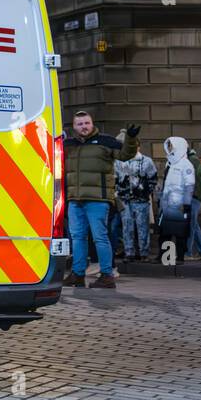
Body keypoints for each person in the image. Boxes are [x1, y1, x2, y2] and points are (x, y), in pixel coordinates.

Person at [62, 111, 138, 290]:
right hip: (75, 199)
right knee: (78, 238)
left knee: (100, 238)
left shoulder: (106, 141)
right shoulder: (68, 145)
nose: (84, 127)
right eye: (80, 124)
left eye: (86, 123)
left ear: (92, 123)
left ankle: (107, 275)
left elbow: (126, 154)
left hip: (98, 199)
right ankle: (78, 274)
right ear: (74, 127)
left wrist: (131, 139)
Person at [114, 144, 157, 262]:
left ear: (138, 147)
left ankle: (144, 253)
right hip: (125, 200)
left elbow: (153, 179)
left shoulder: (146, 161)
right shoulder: (119, 162)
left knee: (142, 227)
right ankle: (129, 253)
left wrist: (145, 192)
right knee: (127, 227)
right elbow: (115, 179)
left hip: (141, 200)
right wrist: (118, 194)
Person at [159, 137, 196, 264]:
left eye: (172, 146)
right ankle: (165, 257)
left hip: (180, 205)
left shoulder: (186, 164)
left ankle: (179, 258)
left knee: (180, 233)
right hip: (167, 204)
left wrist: (186, 204)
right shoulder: (169, 163)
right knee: (165, 232)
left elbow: (189, 185)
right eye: (169, 146)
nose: (170, 149)